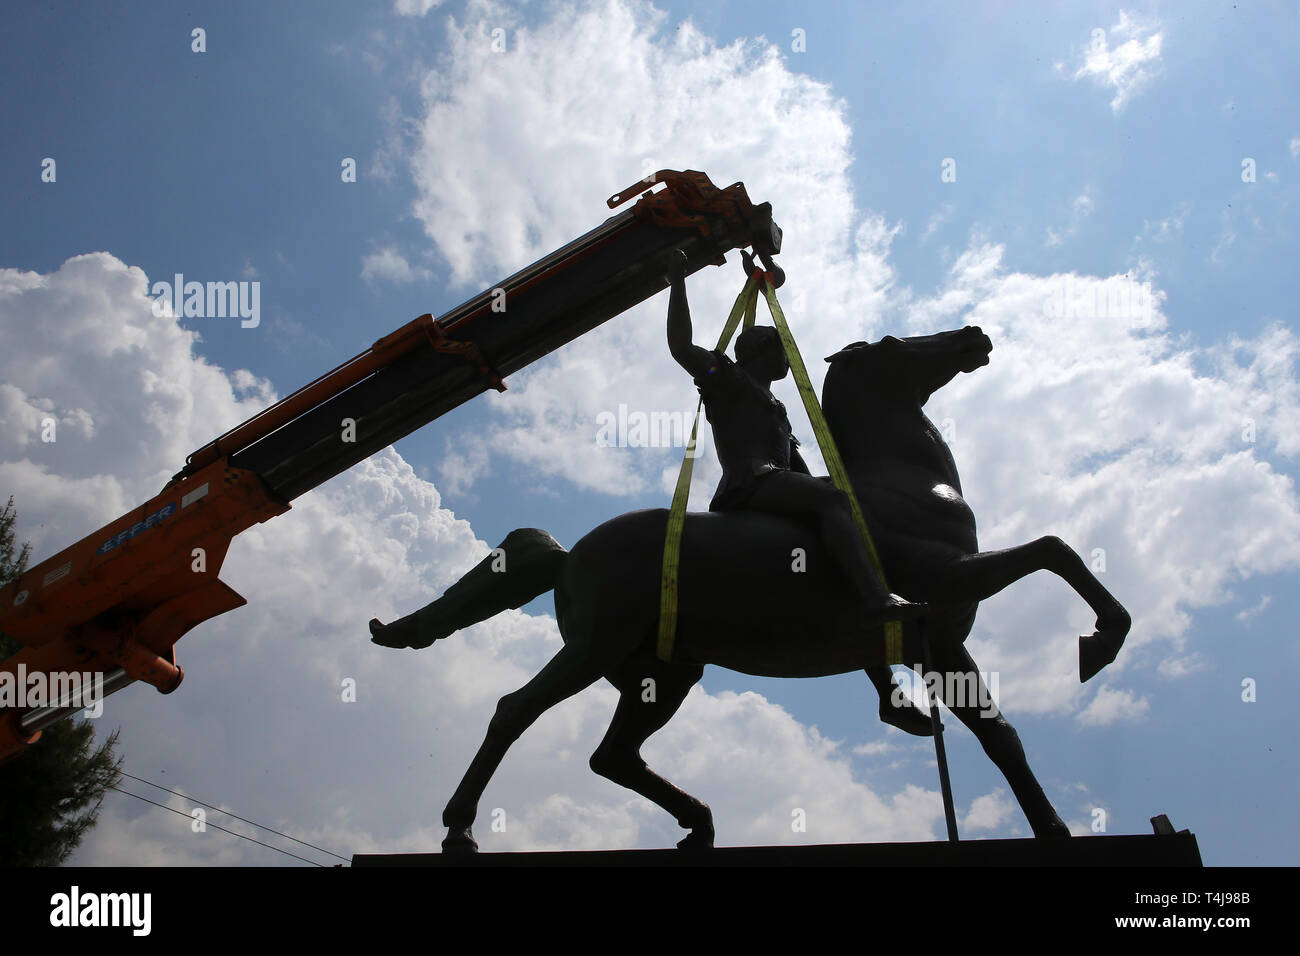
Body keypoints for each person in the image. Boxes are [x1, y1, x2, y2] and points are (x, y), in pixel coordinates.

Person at [665, 248, 932, 735]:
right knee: (831, 503)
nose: (788, 359)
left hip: (780, 481)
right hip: (751, 483)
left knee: (840, 519)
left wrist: (836, 487)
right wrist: (678, 281)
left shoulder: (776, 405)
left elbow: (798, 463)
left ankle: (886, 689)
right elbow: (682, 347)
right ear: (759, 353)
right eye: (780, 352)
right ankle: (877, 600)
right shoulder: (724, 379)